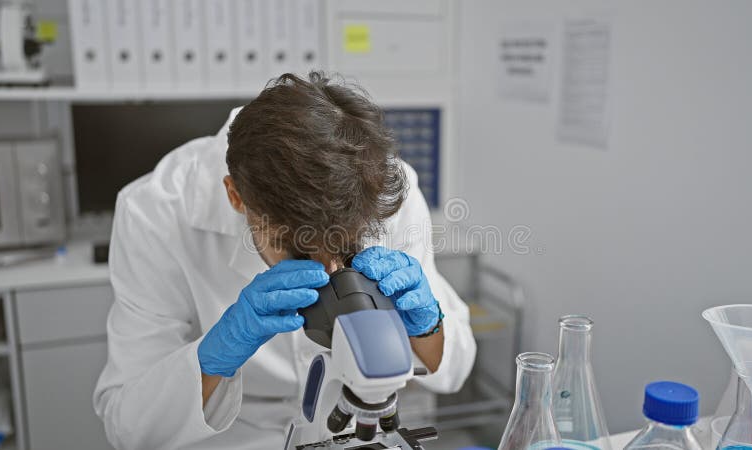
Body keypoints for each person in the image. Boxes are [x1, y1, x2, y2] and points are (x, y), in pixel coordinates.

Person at [93, 72, 476, 450]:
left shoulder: (381, 191)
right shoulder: (155, 211)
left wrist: (428, 326)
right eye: (296, 248)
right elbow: (129, 427)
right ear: (236, 197)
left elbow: (452, 368)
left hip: (348, 427)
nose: (328, 271)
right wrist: (215, 355)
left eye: (345, 246)